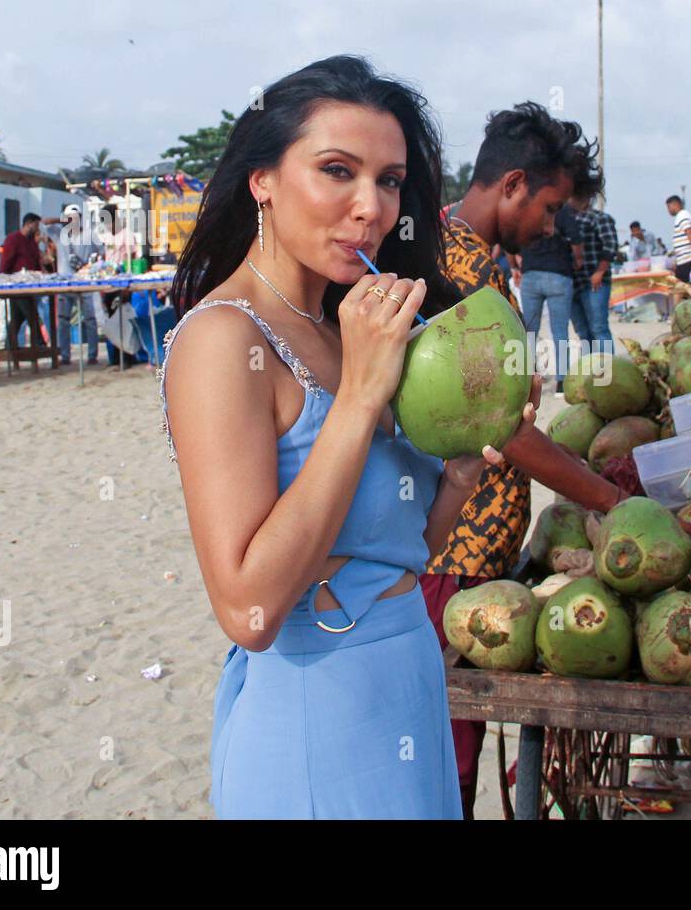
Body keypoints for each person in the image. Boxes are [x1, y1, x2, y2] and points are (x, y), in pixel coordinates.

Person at [162, 55, 476, 819]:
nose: (371, 206)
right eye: (337, 170)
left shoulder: (352, 328)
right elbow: (250, 611)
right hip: (317, 718)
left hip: (409, 683)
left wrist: (463, 473)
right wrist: (362, 396)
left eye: (391, 180)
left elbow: (402, 551)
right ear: (262, 179)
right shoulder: (223, 342)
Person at [433, 101, 631, 815]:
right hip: (446, 555)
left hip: (475, 555)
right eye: (549, 207)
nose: (552, 226)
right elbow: (503, 430)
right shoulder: (460, 271)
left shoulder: (480, 260)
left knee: (457, 747)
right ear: (512, 184)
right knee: (444, 757)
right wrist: (606, 499)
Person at [518, 202, 577, 393]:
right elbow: (577, 241)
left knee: (529, 331)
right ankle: (561, 383)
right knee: (560, 330)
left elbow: (512, 245)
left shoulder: (527, 207)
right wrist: (577, 260)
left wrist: (515, 266)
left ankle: (528, 381)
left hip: (531, 274)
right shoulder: (563, 209)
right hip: (558, 274)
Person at [50, 206, 104, 365]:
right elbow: (45, 222)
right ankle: (65, 356)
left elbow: (102, 252)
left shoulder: (89, 235)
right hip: (65, 283)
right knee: (63, 320)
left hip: (85, 282)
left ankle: (92, 355)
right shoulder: (60, 235)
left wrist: (93, 266)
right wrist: (63, 220)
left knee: (90, 319)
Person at [0, 212, 57, 358]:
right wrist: (3, 279)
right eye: (36, 225)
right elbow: (6, 262)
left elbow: (36, 261)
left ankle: (9, 345)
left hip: (31, 284)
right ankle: (40, 343)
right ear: (28, 223)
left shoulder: (31, 242)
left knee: (18, 317)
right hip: (17, 284)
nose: (37, 228)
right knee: (31, 314)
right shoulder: (13, 239)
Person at [571, 195, 618, 357]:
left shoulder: (601, 218)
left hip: (595, 282)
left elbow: (610, 247)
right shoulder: (565, 220)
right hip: (574, 283)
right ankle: (588, 373)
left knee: (599, 328)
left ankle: (609, 370)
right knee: (583, 332)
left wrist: (599, 272)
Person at [665, 194, 691, 296]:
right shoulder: (686, 215)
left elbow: (688, 232)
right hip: (686, 258)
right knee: (689, 286)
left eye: (668, 207)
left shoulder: (682, 215)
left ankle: (676, 310)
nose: (668, 210)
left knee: (680, 288)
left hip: (687, 259)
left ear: (675, 204)